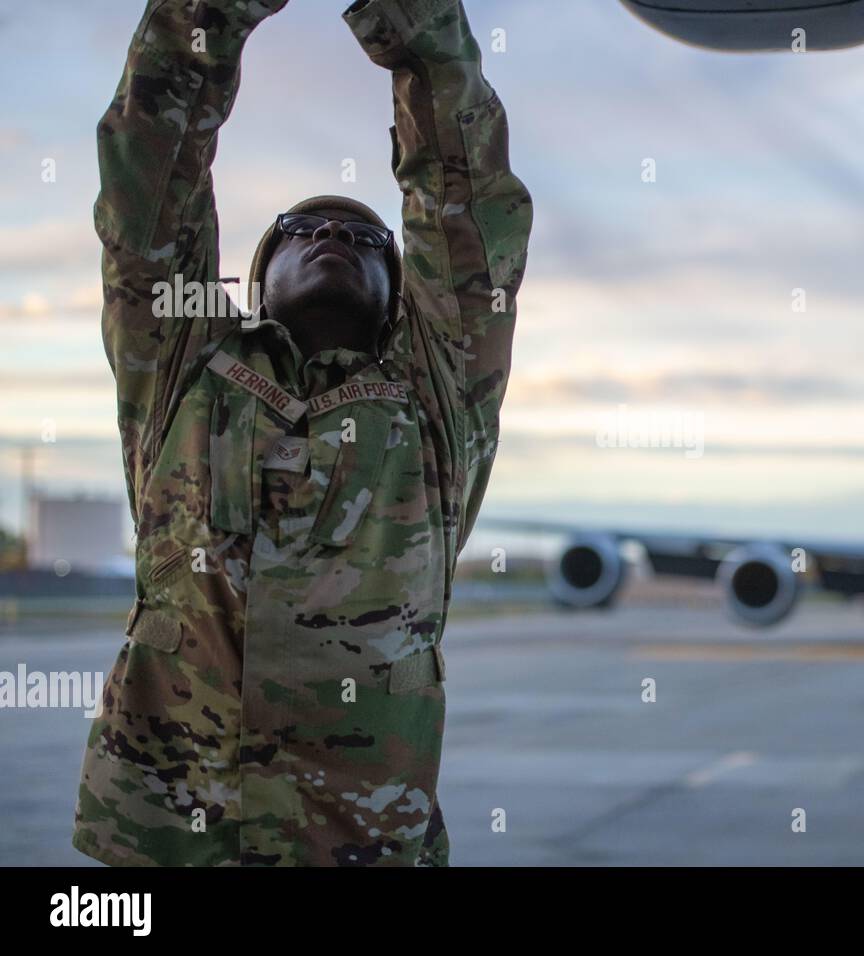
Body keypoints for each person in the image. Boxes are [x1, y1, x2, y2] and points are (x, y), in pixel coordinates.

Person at [72, 0, 532, 866]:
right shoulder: (184, 372)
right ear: (256, 280)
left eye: (363, 238)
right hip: (170, 841)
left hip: (359, 843)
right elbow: (148, 200)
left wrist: (417, 23)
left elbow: (467, 209)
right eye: (301, 231)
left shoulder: (434, 401)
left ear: (399, 292)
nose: (330, 235)